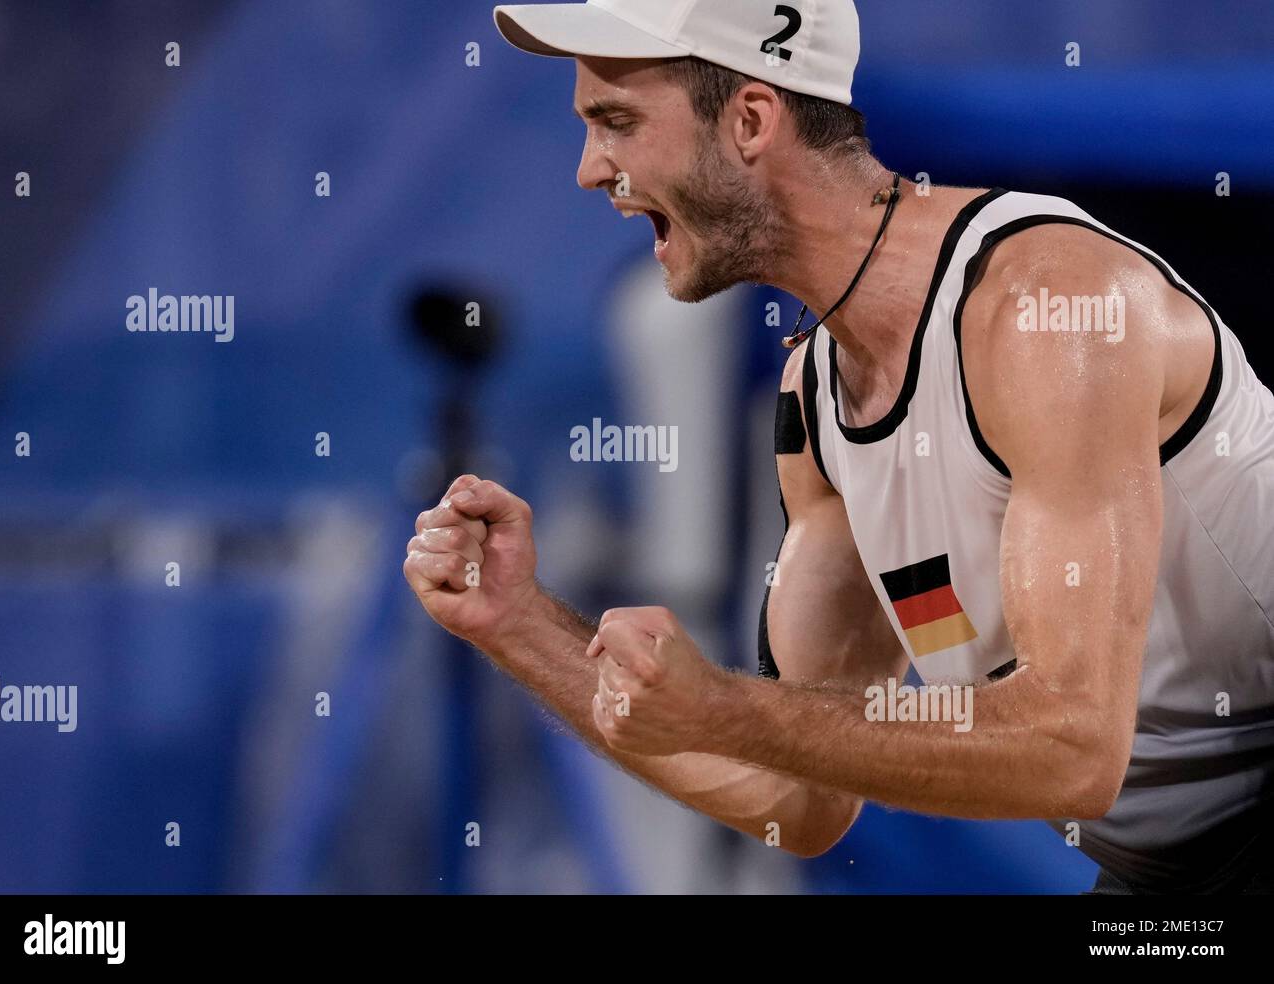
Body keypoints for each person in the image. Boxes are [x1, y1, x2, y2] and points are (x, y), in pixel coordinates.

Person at [404, 0, 1274, 893]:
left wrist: (724, 704)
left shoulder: (1047, 310)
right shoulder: (818, 408)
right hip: (1178, 872)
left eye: (616, 122)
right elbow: (796, 803)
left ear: (749, 120)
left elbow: (1073, 749)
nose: (591, 170)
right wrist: (519, 625)